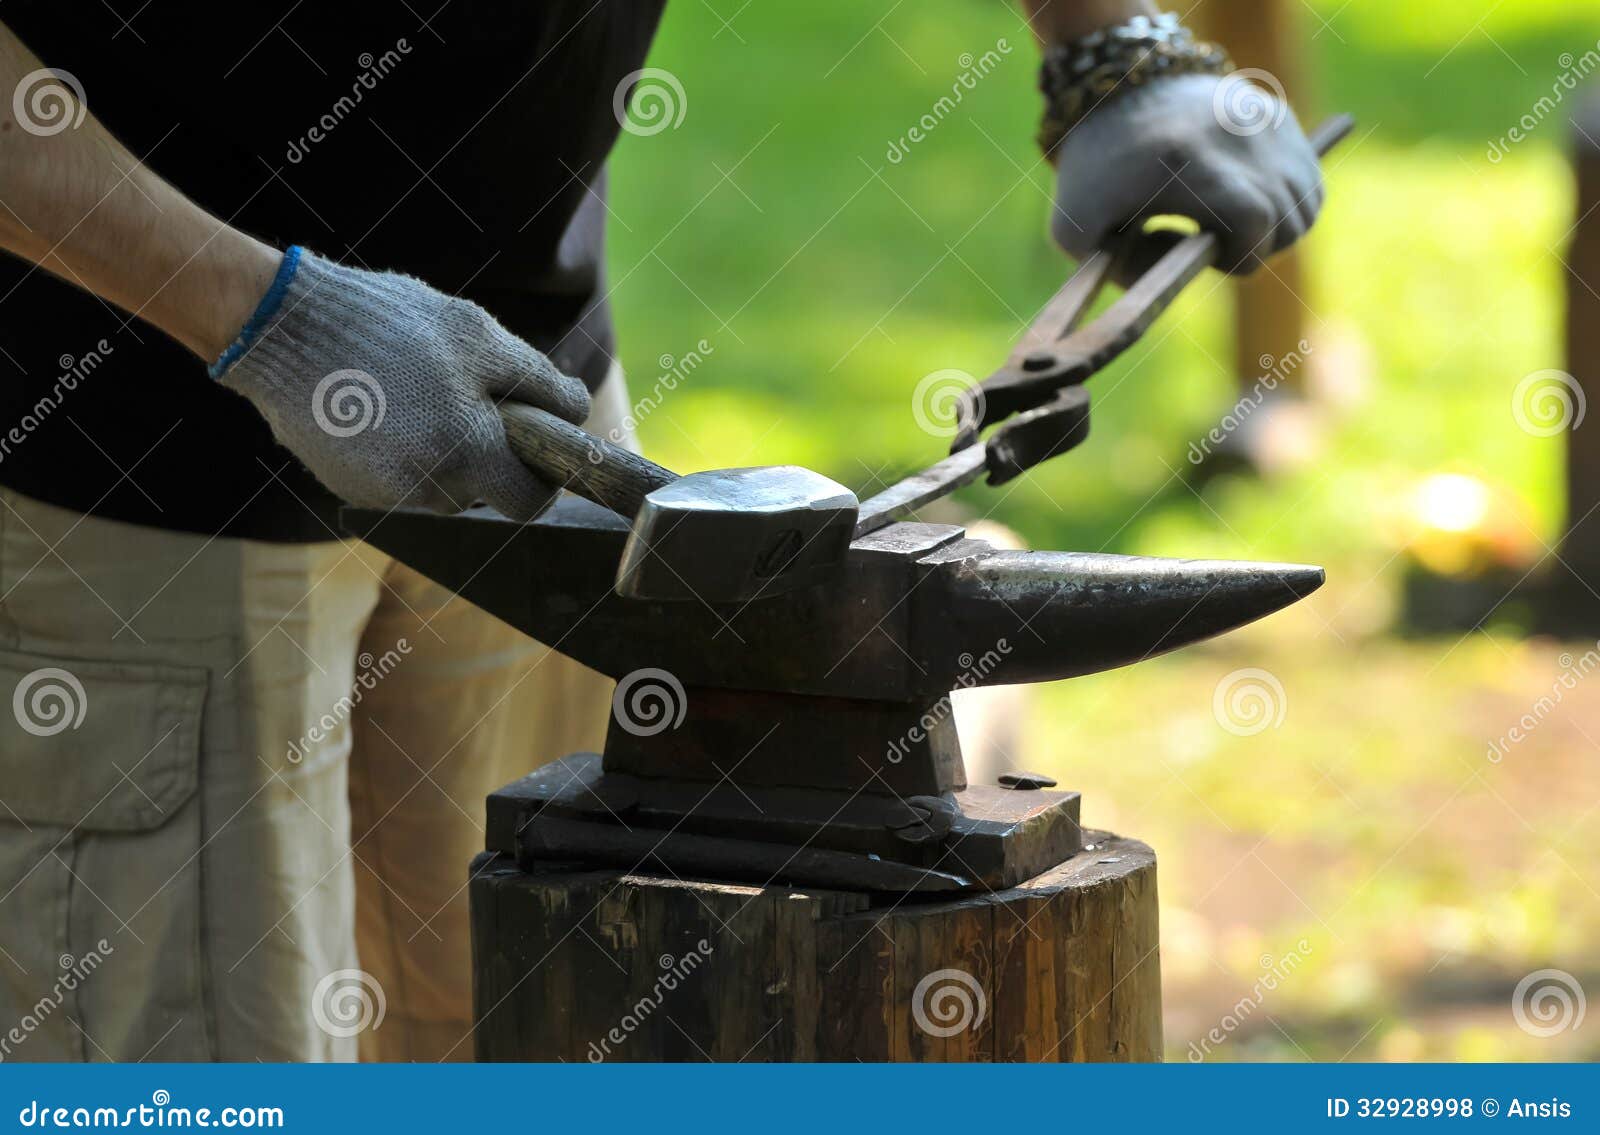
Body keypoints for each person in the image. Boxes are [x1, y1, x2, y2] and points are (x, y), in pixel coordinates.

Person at [0, 2, 1322, 1061]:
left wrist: (1101, 39)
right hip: (121, 455)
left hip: (536, 422)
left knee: (544, 1024)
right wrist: (265, 315)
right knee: (213, 1068)